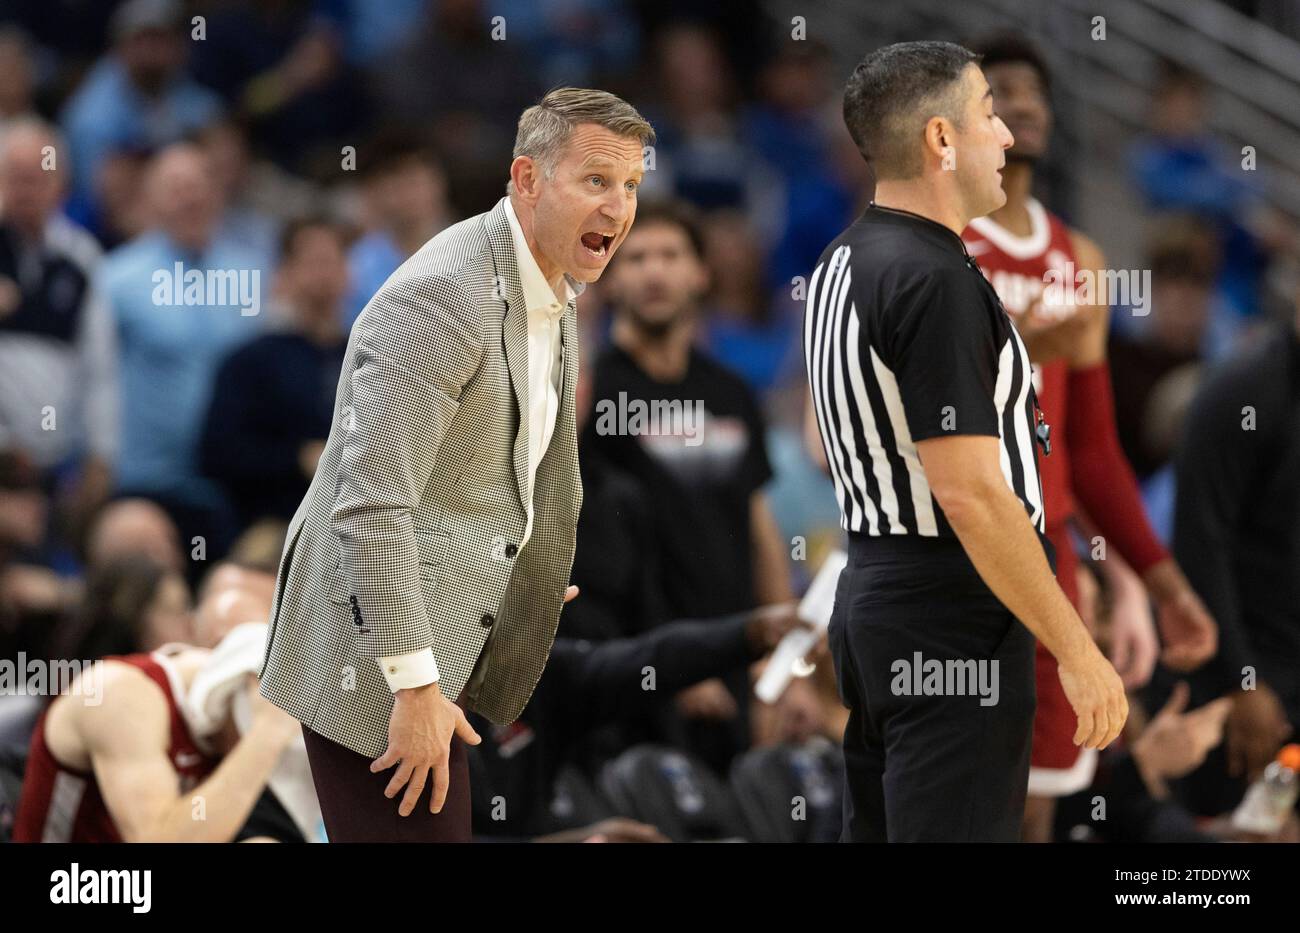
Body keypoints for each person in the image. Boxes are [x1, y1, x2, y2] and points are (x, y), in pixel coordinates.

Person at [259, 88, 654, 842]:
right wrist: (411, 687)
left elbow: (496, 469)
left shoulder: (552, 281)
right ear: (528, 179)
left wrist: (512, 567)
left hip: (445, 636)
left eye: (632, 185)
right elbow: (371, 505)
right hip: (372, 651)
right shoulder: (443, 297)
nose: (619, 206)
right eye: (597, 181)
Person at [806, 41, 1126, 842]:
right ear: (942, 140)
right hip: (951, 611)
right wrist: (1076, 648)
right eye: (989, 111)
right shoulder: (936, 278)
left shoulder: (843, 259)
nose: (1008, 135)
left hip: (876, 592)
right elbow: (971, 493)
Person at [959, 32, 1217, 840]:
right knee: (947, 794)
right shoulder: (938, 241)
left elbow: (1095, 450)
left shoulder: (1083, 259)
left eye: (1035, 88)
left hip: (1050, 557)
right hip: (950, 541)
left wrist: (1161, 583)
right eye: (1001, 87)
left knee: (1039, 802)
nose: (1025, 100)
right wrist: (1024, 347)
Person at [581, 199, 793, 774]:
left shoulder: (732, 392)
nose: (654, 272)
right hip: (637, 668)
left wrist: (780, 663)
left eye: (671, 255)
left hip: (736, 651)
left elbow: (758, 524)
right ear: (611, 277)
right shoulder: (591, 396)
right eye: (637, 258)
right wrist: (668, 665)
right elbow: (595, 554)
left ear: (701, 274)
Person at [1171, 284, 1300, 815]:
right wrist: (1241, 680)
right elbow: (1200, 546)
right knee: (1234, 829)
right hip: (1250, 677)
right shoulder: (1242, 394)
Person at [200, 216, 351, 532]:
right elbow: (217, 453)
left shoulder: (367, 354)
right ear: (284, 273)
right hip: (273, 520)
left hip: (354, 519)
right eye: (312, 262)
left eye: (333, 260)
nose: (324, 273)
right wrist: (297, 459)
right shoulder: (251, 360)